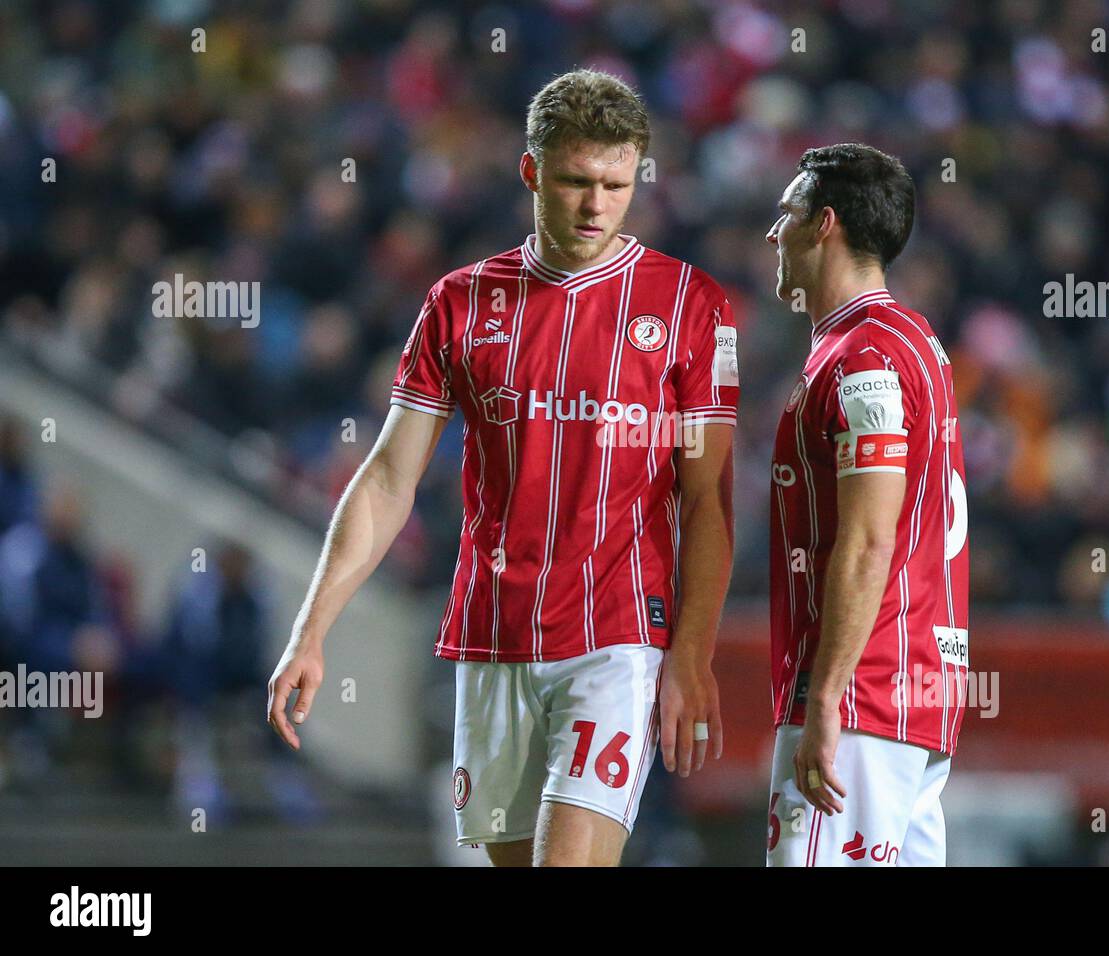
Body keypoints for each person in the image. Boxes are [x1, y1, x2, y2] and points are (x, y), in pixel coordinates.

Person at [267, 69, 738, 866]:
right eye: (575, 181)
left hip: (616, 638)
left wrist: (690, 655)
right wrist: (311, 631)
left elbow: (707, 501)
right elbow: (388, 479)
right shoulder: (460, 303)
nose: (596, 205)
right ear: (530, 172)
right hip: (493, 636)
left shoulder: (689, 305)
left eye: (616, 185)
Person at [763, 144, 969, 866]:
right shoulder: (916, 343)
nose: (772, 233)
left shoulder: (864, 360)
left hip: (864, 696)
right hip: (915, 697)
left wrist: (827, 699)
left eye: (785, 213)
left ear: (824, 225)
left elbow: (870, 540)